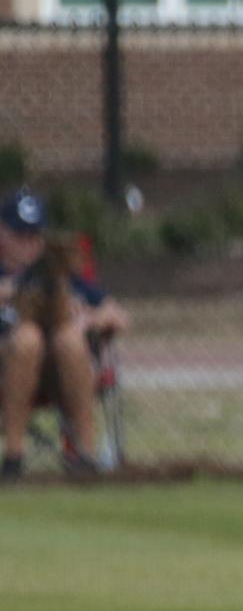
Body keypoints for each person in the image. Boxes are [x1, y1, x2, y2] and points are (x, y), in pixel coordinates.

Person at [0, 187, 128, 479]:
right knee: (27, 339)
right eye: (20, 235)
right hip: (7, 366)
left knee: (70, 339)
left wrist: (88, 321)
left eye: (34, 236)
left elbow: (117, 316)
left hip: (60, 369)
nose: (28, 244)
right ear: (2, 232)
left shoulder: (55, 275)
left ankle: (84, 457)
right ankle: (13, 457)